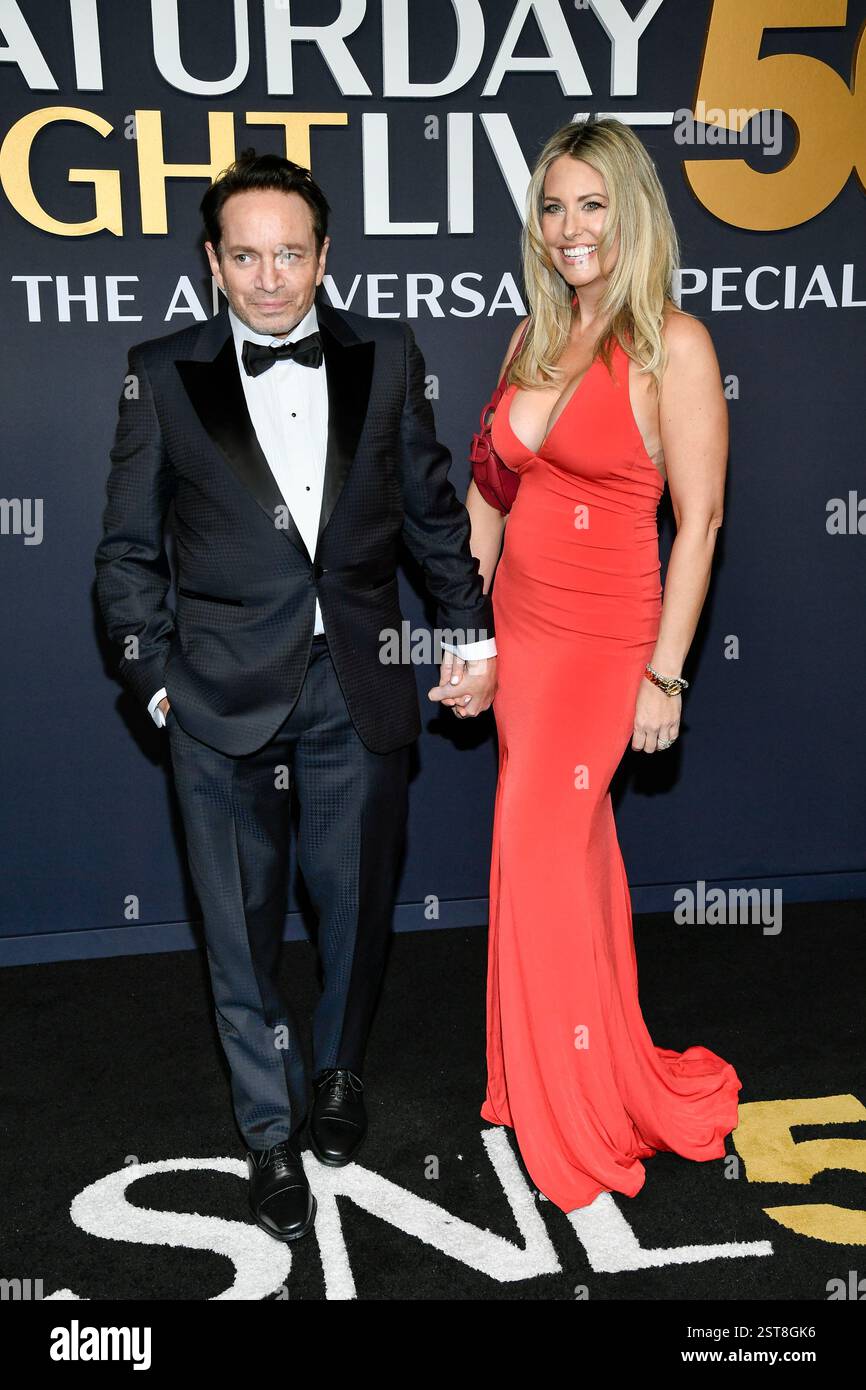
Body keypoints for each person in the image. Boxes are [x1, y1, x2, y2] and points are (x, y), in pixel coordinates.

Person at [94, 149, 496, 1242]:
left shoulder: (385, 352)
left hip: (355, 690)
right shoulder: (159, 372)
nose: (269, 278)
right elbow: (126, 557)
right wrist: (157, 687)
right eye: (245, 256)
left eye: (289, 253)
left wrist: (470, 629)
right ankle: (267, 1133)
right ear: (213, 265)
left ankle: (338, 1074)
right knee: (238, 934)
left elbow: (429, 514)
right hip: (216, 703)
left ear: (323, 255)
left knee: (358, 912)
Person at [459, 117, 741, 1213]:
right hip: (521, 640)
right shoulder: (532, 338)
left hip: (601, 645)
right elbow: (492, 491)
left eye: (590, 204)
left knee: (535, 857)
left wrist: (662, 676)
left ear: (630, 211)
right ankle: (557, 1078)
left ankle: (575, 1118)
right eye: (551, 206)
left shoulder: (673, 342)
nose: (570, 228)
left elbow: (701, 518)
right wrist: (471, 642)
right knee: (564, 872)